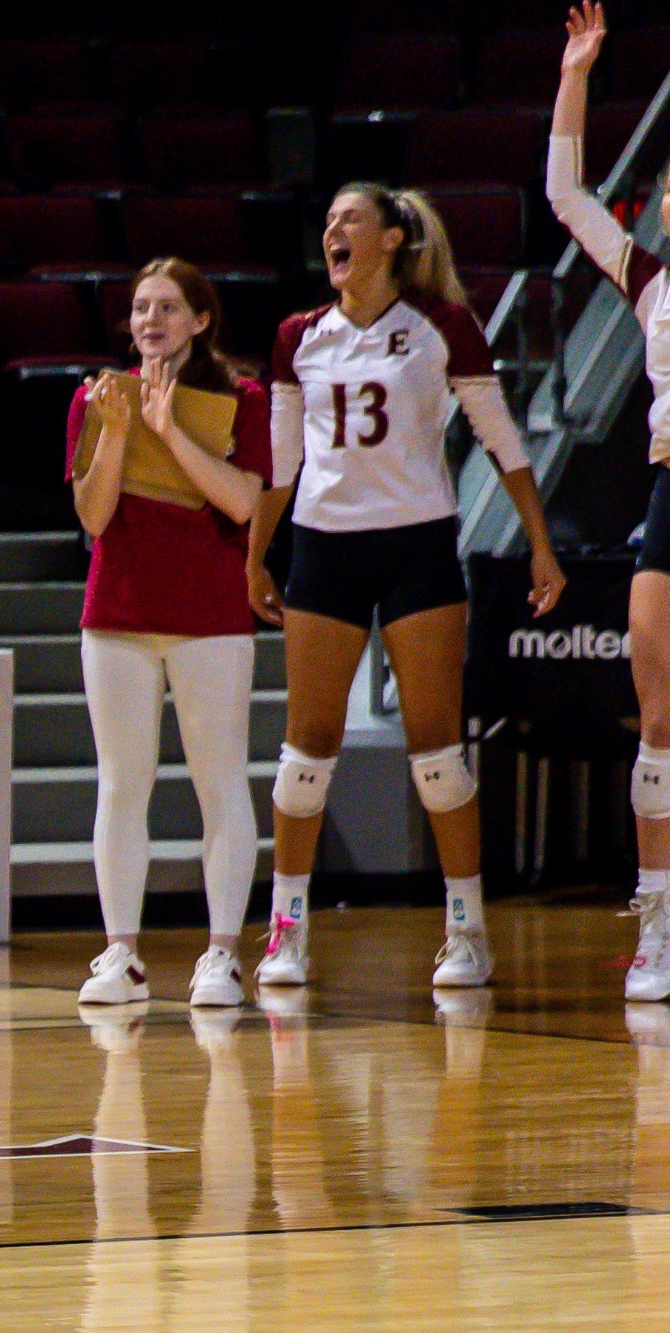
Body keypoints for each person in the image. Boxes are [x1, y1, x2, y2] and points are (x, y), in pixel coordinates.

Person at [246, 181, 565, 991]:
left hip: (418, 545)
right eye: (326, 222)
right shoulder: (297, 336)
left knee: (438, 755)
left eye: (348, 218)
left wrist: (539, 543)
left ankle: (467, 928)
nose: (333, 232)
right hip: (323, 548)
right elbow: (282, 464)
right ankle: (287, 931)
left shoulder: (441, 326)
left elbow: (504, 440)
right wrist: (256, 553)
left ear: (391, 237)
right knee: (303, 754)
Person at [69, 261, 272, 1010]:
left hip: (211, 616)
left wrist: (167, 430)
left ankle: (221, 953)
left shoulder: (242, 401)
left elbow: (242, 502)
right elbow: (92, 516)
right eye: (139, 307)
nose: (150, 319)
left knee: (219, 781)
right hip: (117, 612)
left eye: (166, 307)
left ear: (200, 319)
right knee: (122, 783)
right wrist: (120, 431)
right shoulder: (96, 397)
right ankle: (120, 951)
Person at [548, 3, 670, 1002]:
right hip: (668, 485)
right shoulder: (646, 279)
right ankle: (657, 925)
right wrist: (575, 75)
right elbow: (561, 192)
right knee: (654, 701)